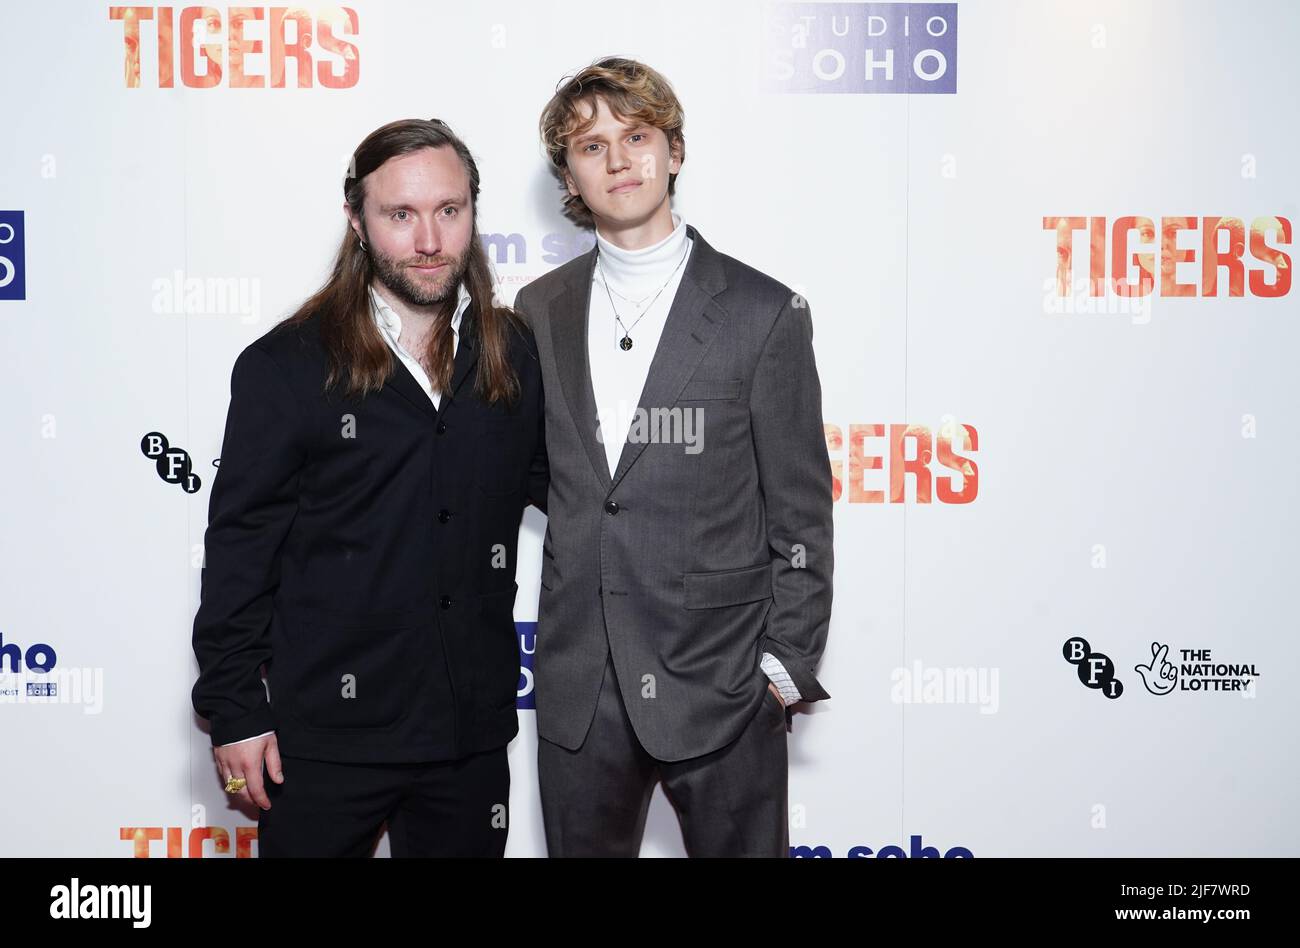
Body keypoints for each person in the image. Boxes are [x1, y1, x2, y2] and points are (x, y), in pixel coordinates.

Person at [191, 118, 546, 857]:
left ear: (473, 215)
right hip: (322, 742)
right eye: (400, 214)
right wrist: (235, 711)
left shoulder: (511, 354)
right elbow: (239, 550)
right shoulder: (286, 365)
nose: (428, 240)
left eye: (450, 211)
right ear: (357, 220)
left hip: (468, 739)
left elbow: (582, 498)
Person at [514, 57, 833, 857]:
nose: (618, 159)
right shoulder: (538, 310)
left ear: (675, 151)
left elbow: (801, 512)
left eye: (637, 136)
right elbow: (558, 481)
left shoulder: (764, 313)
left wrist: (780, 672)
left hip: (722, 686)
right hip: (580, 686)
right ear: (570, 176)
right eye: (591, 146)